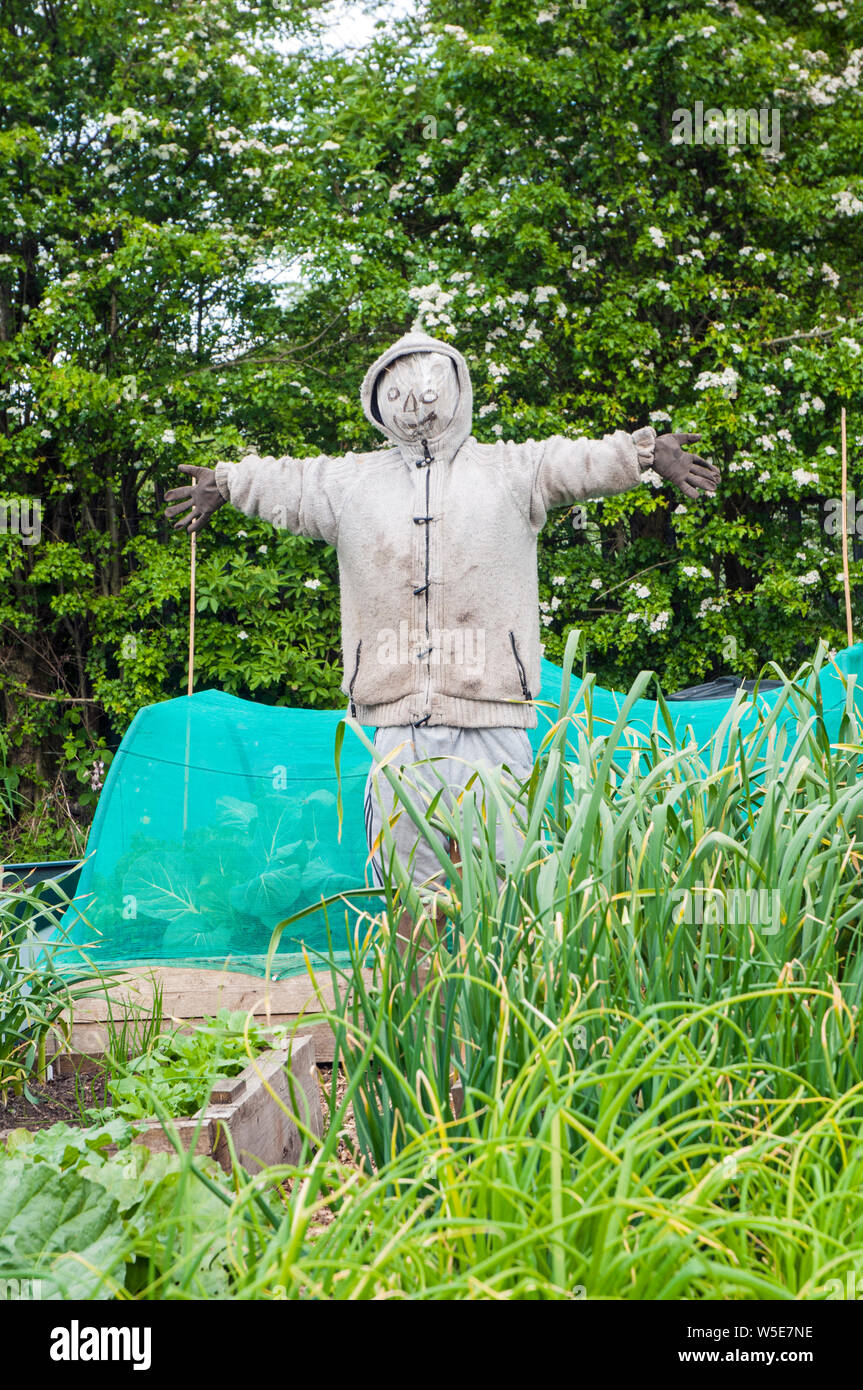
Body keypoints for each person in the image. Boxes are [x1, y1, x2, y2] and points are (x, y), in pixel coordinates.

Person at [165, 330, 720, 971]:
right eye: (397, 391)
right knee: (408, 888)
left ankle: (501, 1022)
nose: (416, 403)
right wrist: (229, 482)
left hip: (493, 718)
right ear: (377, 402)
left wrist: (645, 455)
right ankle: (416, 1031)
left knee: (502, 884)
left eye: (429, 388)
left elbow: (577, 463)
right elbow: (289, 483)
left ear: (456, 389)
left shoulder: (513, 470)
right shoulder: (350, 485)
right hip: (395, 725)